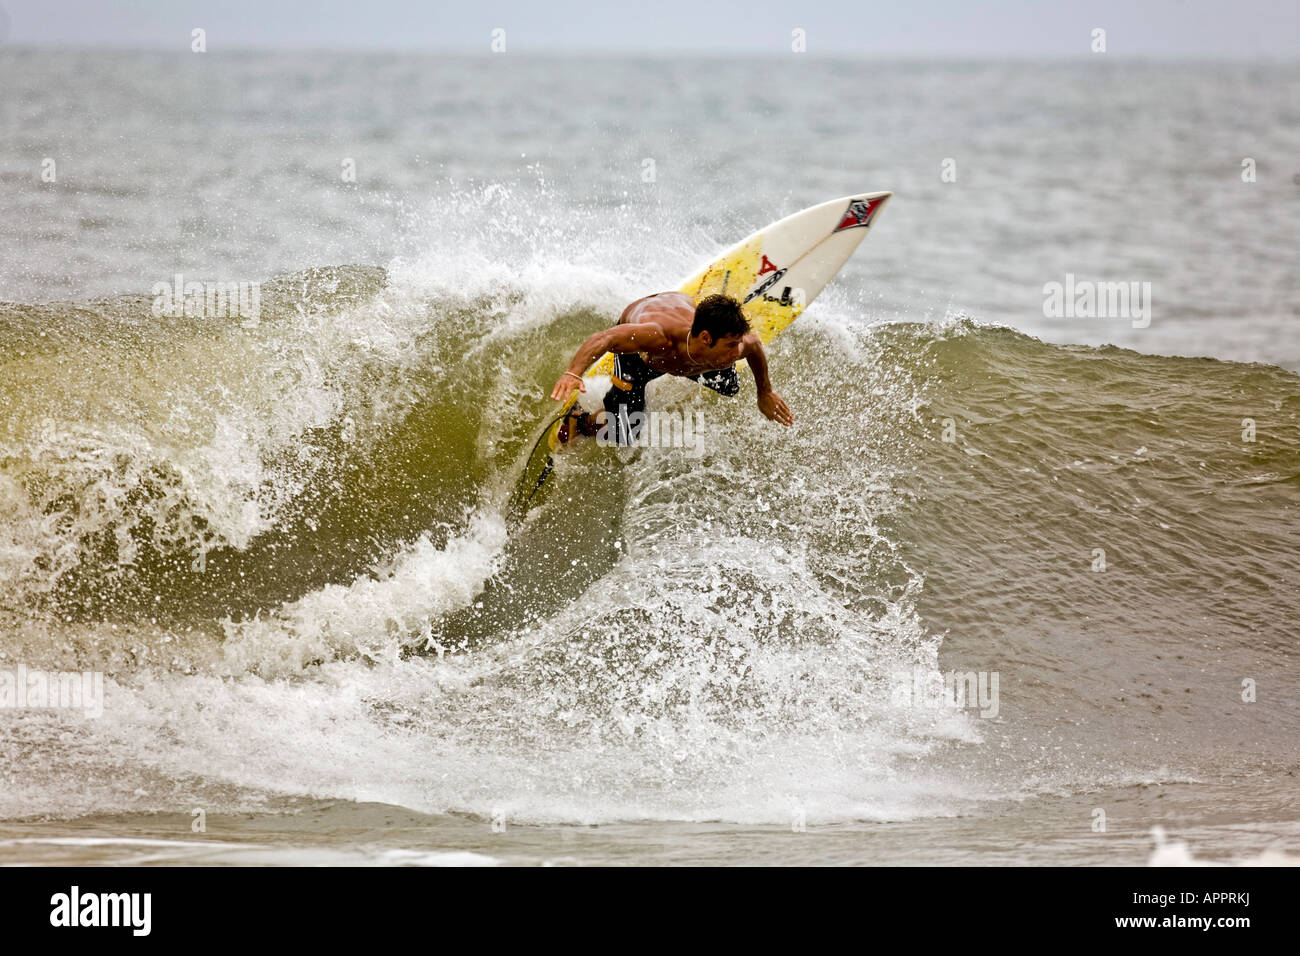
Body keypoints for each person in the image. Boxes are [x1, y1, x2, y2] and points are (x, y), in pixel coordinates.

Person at [548, 292, 794, 445]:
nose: (736, 352)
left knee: (729, 386)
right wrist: (573, 372)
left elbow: (754, 345)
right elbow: (605, 339)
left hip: (688, 334)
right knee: (625, 433)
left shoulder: (733, 348)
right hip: (643, 359)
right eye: (730, 345)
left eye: (737, 344)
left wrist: (765, 391)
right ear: (707, 338)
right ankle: (579, 422)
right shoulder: (658, 338)